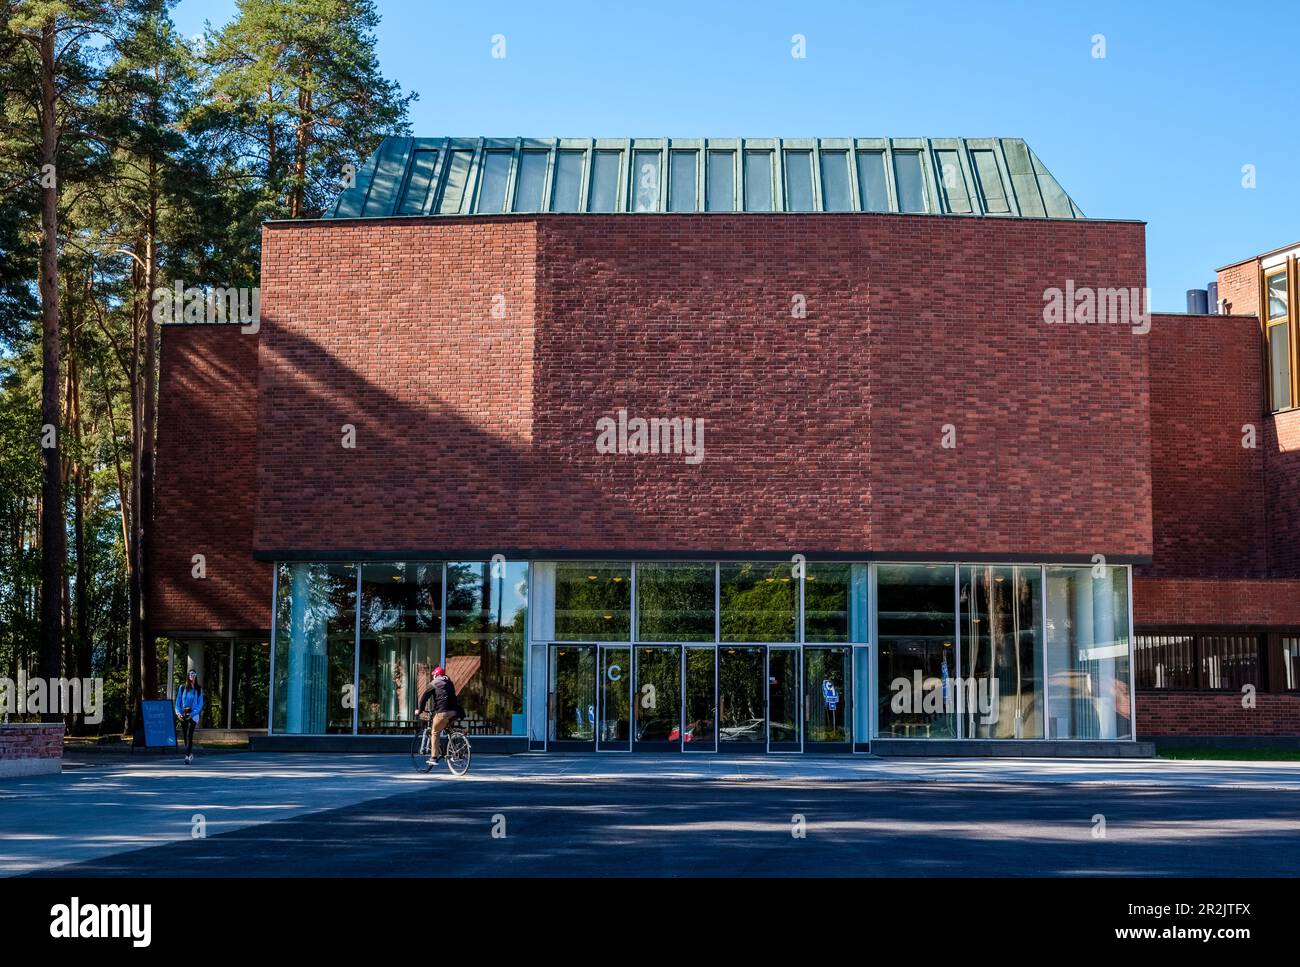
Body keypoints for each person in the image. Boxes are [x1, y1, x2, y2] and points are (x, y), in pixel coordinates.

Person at [415, 666, 462, 765]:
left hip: (443, 712)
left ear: (436, 675)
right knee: (447, 728)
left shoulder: (433, 683)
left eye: (434, 675)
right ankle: (455, 751)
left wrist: (420, 711)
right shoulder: (450, 683)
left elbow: (424, 698)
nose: (433, 677)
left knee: (435, 732)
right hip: (455, 712)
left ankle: (433, 757)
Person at [175, 669, 204, 764]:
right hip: (183, 714)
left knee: (189, 735)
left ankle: (187, 756)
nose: (193, 676)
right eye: (191, 674)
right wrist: (178, 713)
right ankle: (189, 753)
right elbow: (178, 702)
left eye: (194, 675)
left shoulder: (198, 689)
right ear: (188, 676)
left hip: (193, 714)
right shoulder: (182, 687)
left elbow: (200, 704)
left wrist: (192, 714)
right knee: (185, 735)